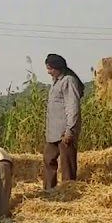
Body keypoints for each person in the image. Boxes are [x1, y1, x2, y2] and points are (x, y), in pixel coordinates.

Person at [43, 53, 84, 189]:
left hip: (64, 131)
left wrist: (69, 130)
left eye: (50, 69)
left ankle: (68, 191)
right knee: (48, 159)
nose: (48, 72)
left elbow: (72, 107)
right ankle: (49, 191)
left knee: (67, 164)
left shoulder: (69, 81)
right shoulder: (56, 82)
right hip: (53, 131)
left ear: (57, 67)